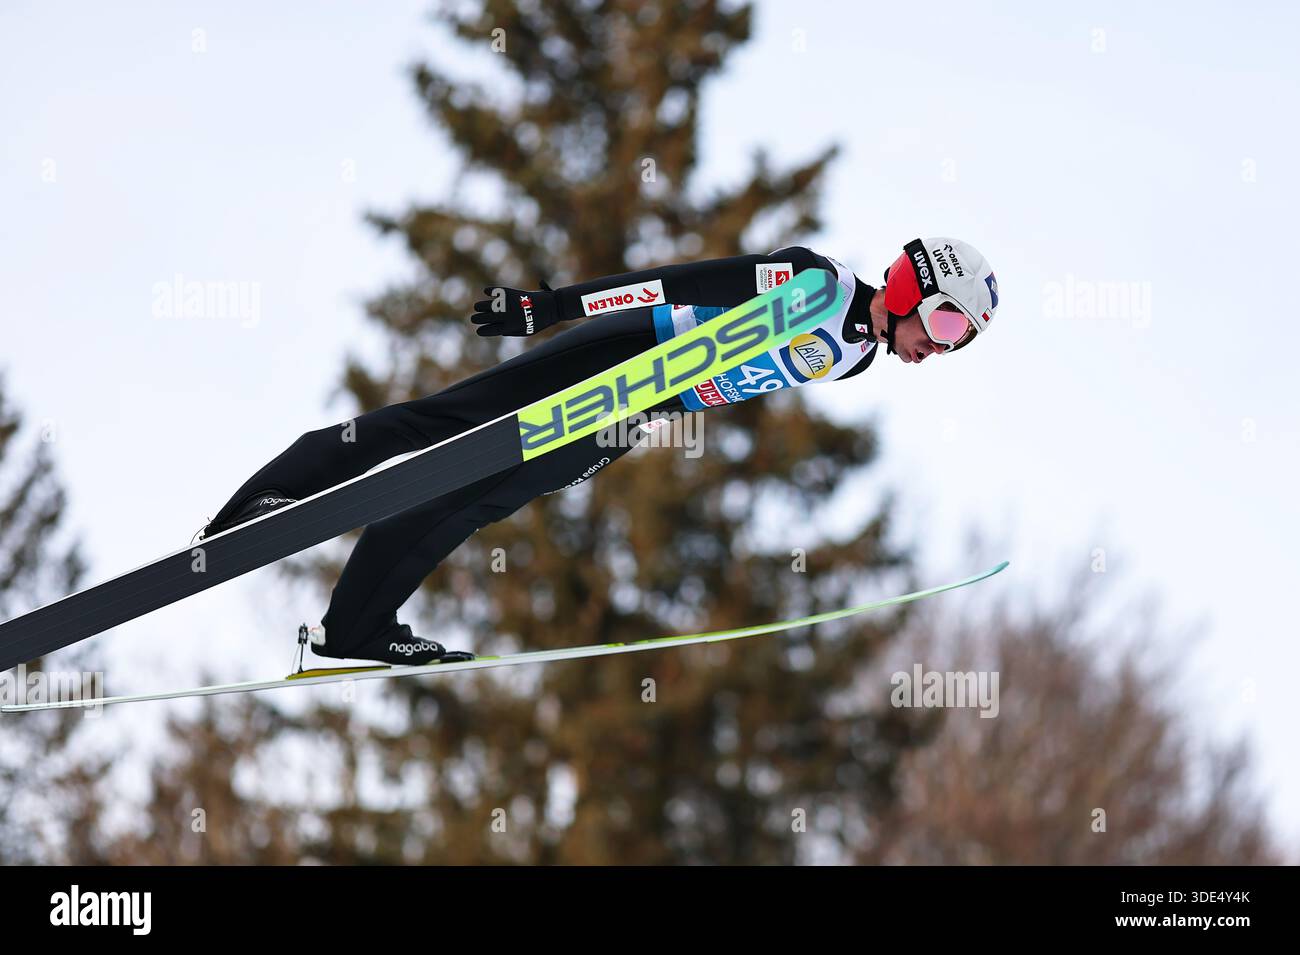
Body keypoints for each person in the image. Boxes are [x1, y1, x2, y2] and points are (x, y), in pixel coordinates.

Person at [197, 238, 1000, 666]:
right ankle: (262, 505)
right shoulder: (813, 285)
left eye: (959, 340)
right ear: (908, 288)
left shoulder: (857, 354)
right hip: (620, 354)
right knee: (437, 425)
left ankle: (356, 627)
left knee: (470, 498)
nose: (942, 348)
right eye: (948, 325)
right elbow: (676, 282)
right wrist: (549, 308)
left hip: (637, 408)